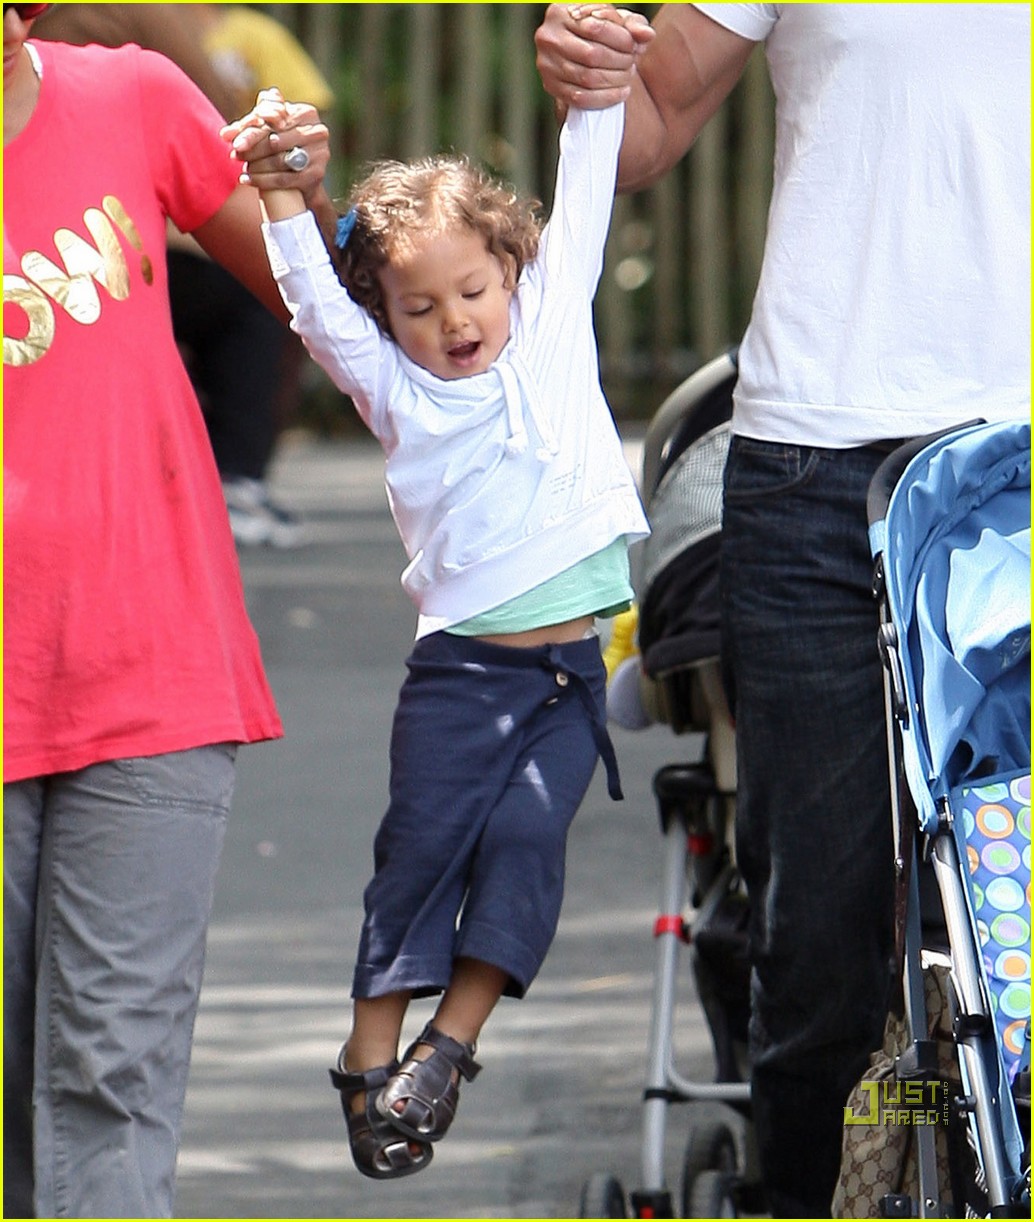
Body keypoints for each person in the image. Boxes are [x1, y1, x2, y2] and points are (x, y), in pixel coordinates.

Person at [535, 3, 1031, 1216]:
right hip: (818, 462)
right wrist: (589, 65)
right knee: (821, 932)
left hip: (1020, 455)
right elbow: (647, 121)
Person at [227, 80, 649, 1179]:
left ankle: (447, 1048)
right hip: (460, 677)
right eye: (419, 308)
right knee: (420, 853)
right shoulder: (392, 389)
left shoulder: (552, 326)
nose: (454, 320)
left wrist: (596, 93)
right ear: (388, 317)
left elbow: (589, 189)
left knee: (524, 847)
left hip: (565, 674)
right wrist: (278, 193)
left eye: (473, 289)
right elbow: (316, 306)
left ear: (513, 272)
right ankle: (370, 1052)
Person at [2, 5, 333, 1215]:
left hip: (154, 664)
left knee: (110, 1072)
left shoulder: (131, 97)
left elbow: (327, 307)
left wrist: (298, 192)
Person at [34, 2, 336, 548]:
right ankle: (240, 476)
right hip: (144, 249)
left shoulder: (199, 49)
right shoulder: (144, 46)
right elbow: (222, 127)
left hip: (137, 249)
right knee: (265, 300)